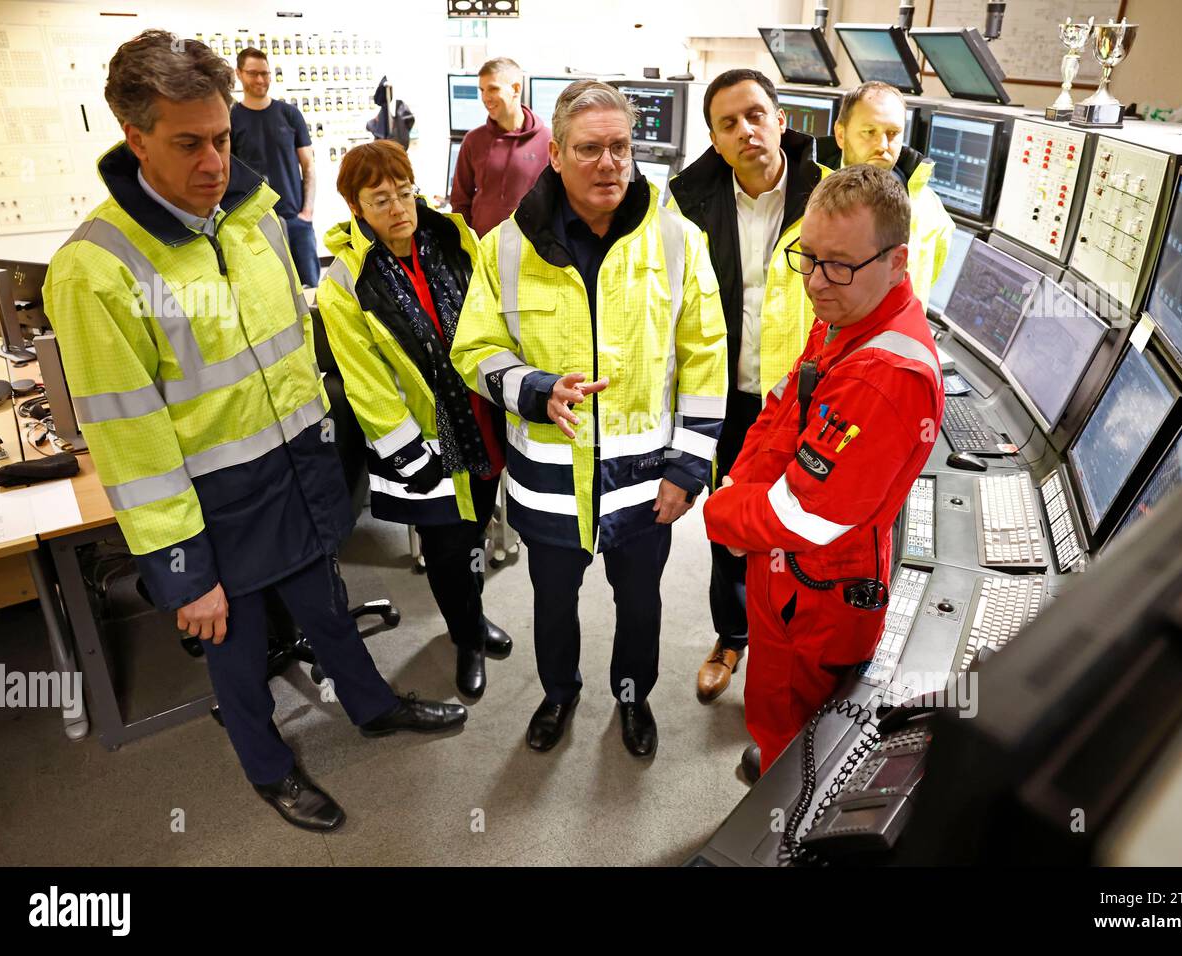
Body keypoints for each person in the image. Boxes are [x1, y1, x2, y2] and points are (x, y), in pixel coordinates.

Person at [43, 31, 466, 834]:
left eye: (223, 137)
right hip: (213, 501)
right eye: (188, 144)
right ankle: (269, 769)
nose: (213, 162)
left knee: (329, 611)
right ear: (135, 138)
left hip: (298, 468)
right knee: (235, 652)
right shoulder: (96, 268)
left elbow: (288, 355)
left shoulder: (253, 211)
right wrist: (182, 569)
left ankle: (373, 708)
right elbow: (129, 443)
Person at [451, 80, 727, 758]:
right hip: (547, 479)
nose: (609, 163)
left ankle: (632, 701)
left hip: (646, 483)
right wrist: (535, 388)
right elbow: (474, 350)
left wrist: (689, 468)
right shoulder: (506, 248)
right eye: (590, 149)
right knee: (553, 605)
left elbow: (706, 359)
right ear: (555, 154)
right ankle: (559, 693)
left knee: (639, 608)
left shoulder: (677, 241)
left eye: (620, 148)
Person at [703, 165, 944, 778]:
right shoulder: (846, 312)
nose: (814, 281)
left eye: (837, 263)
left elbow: (806, 514)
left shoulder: (886, 375)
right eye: (807, 257)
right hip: (781, 568)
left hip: (817, 592)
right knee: (773, 703)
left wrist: (720, 513)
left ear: (897, 262)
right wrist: (739, 485)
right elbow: (782, 409)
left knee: (801, 733)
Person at [317, 141, 513, 699]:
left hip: (481, 422)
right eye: (381, 200)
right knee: (448, 551)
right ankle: (465, 636)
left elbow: (489, 316)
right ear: (356, 208)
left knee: (475, 531)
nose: (399, 207)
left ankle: (474, 618)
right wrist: (409, 456)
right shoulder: (345, 281)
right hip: (426, 443)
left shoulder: (453, 238)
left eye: (405, 192)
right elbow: (366, 381)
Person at [668, 69, 831, 704]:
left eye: (757, 115)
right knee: (729, 519)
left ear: (781, 119)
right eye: (729, 123)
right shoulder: (686, 205)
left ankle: (794, 650)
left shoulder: (827, 195)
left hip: (806, 394)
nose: (747, 131)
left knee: (805, 524)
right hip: (726, 395)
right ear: (713, 138)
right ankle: (730, 637)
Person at [829, 81, 954, 308]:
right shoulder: (807, 195)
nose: (883, 145)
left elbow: (929, 278)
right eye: (869, 132)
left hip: (897, 340)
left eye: (893, 133)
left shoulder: (929, 210)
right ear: (840, 134)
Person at [230, 46, 320, 285]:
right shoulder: (232, 119)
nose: (260, 79)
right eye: (253, 73)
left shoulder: (290, 114)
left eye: (265, 73)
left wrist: (307, 213)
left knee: (311, 290)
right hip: (256, 225)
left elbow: (308, 165)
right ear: (239, 73)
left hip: (296, 222)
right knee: (271, 290)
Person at [450, 57, 552, 237]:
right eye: (482, 90)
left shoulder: (548, 141)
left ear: (515, 89)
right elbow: (460, 202)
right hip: (484, 250)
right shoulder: (473, 140)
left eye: (493, 89)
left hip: (532, 250)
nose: (485, 98)